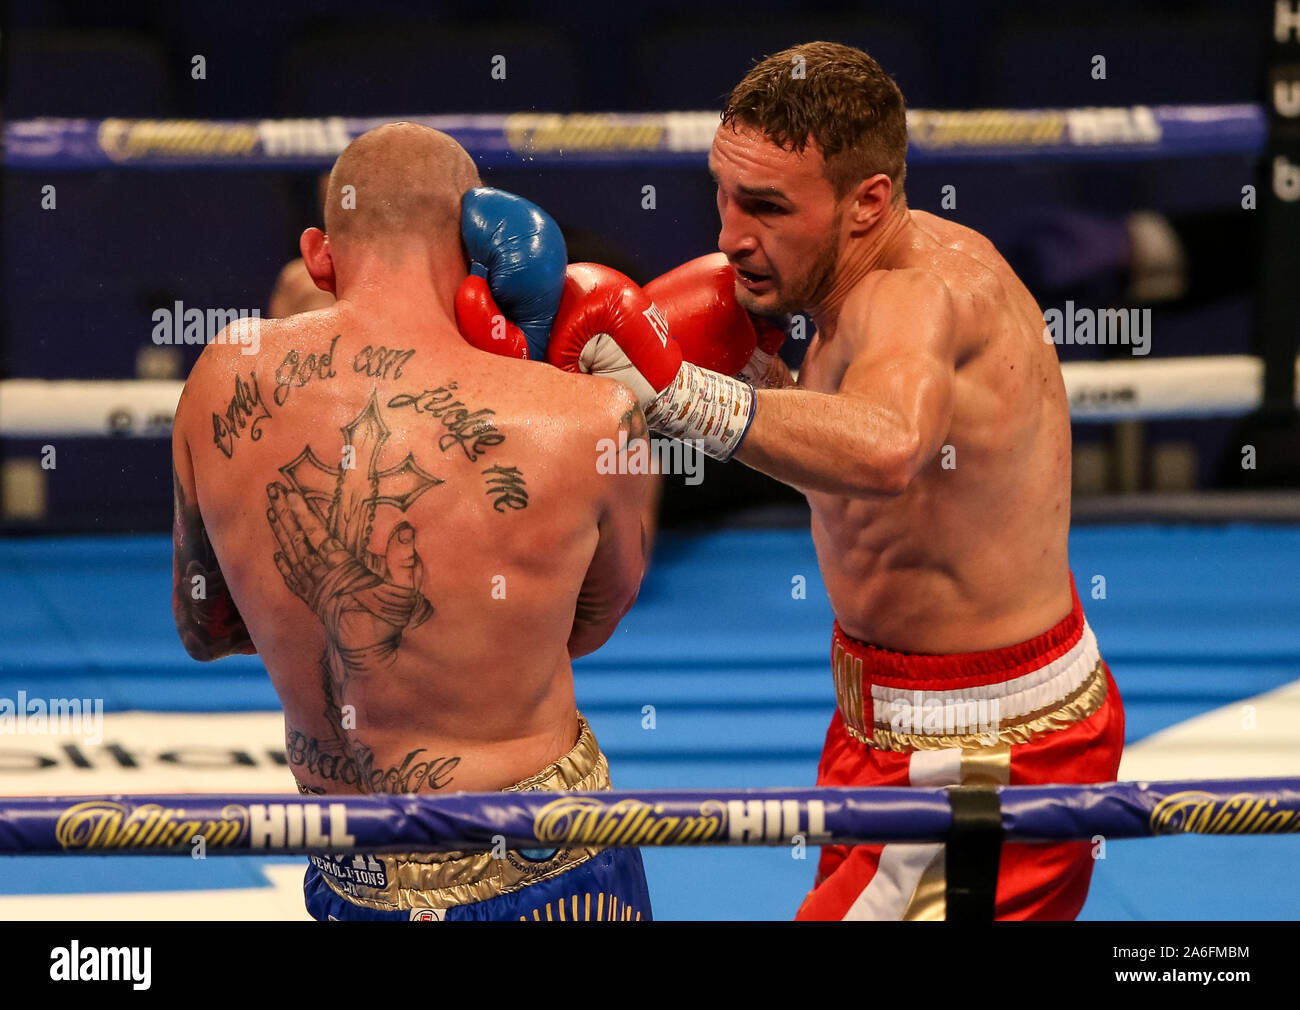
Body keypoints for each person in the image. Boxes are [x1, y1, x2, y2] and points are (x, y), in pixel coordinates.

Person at [546, 41, 1125, 920]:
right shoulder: (837, 288)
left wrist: (679, 394)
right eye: (725, 193)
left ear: (868, 203)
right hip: (889, 713)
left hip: (976, 746)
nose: (730, 234)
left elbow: (889, 448)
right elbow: (861, 462)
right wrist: (760, 387)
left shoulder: (914, 294)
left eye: (768, 206)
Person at [170, 123, 656, 921]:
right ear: (482, 246)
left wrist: (317, 615)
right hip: (546, 867)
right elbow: (588, 623)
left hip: (350, 868)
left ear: (319, 255)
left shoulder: (220, 380)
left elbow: (205, 627)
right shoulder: (591, 417)